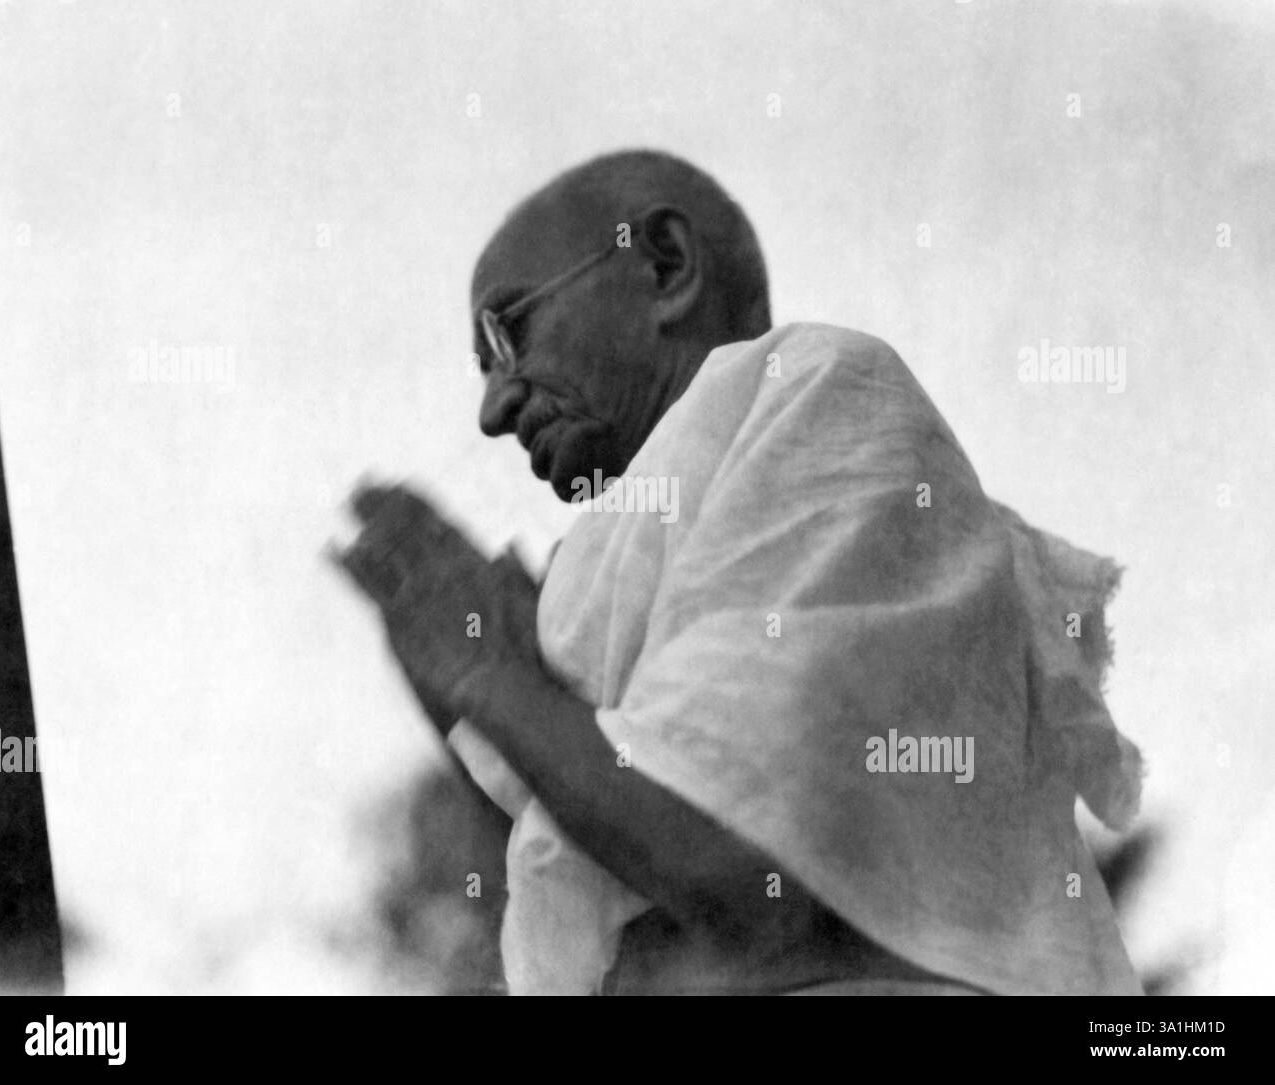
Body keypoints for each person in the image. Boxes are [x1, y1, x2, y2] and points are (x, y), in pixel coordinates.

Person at [335, 149, 1144, 995]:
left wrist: (492, 679)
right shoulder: (647, 554)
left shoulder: (823, 394)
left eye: (508, 334)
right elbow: (624, 902)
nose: (494, 409)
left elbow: (743, 876)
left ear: (664, 267)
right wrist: (490, 705)